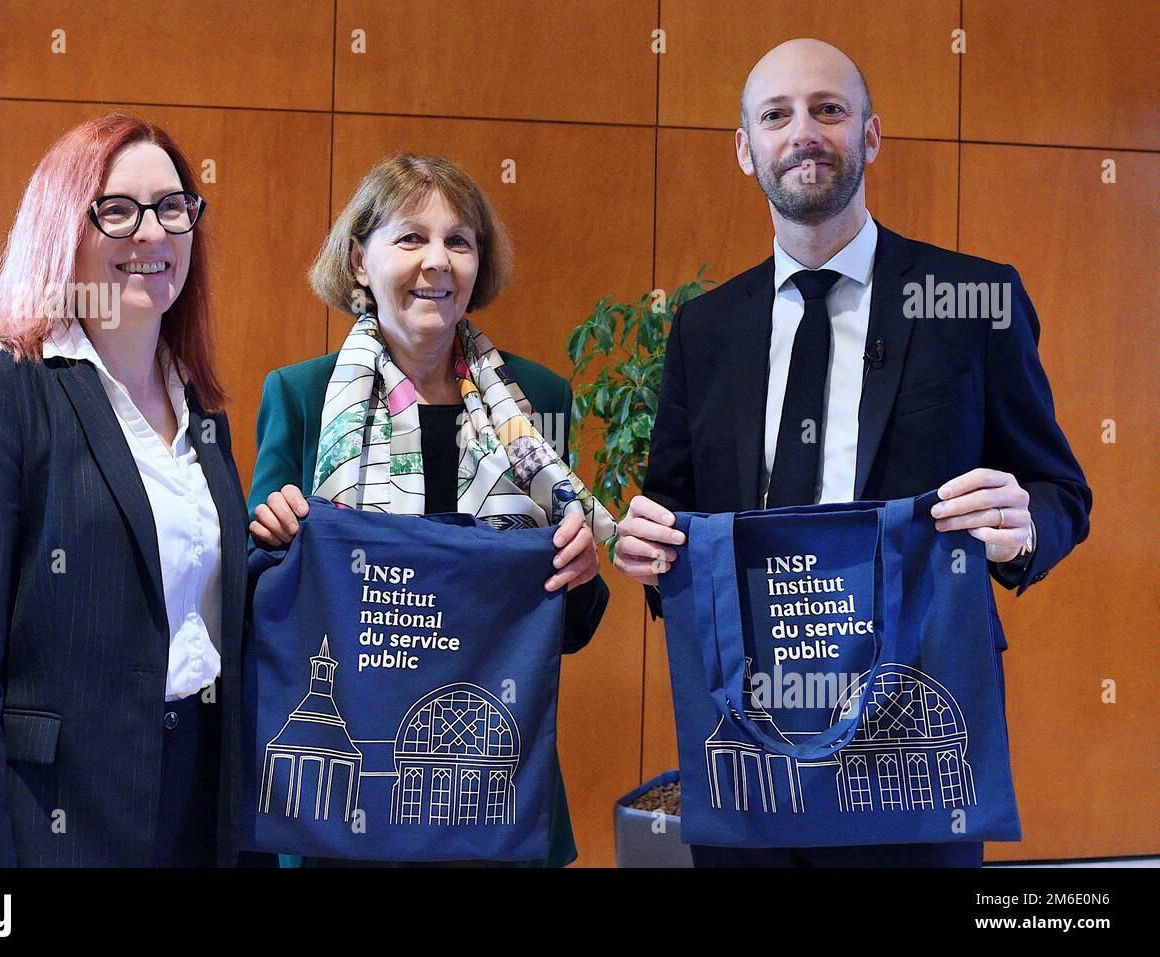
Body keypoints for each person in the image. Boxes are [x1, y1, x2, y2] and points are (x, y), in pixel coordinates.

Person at [614, 39, 1091, 867]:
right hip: (749, 735)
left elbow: (1059, 491)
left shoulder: (973, 297)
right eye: (777, 115)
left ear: (871, 135)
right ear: (745, 149)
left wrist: (1025, 529)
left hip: (916, 730)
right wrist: (644, 548)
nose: (804, 132)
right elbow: (669, 513)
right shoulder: (705, 329)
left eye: (829, 110)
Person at [0, 113, 252, 867]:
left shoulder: (204, 412)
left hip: (192, 811)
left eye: (173, 207)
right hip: (45, 825)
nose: (152, 232)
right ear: (64, 226)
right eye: (118, 209)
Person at [248, 152, 614, 867]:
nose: (437, 261)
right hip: (343, 810)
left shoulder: (539, 400)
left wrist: (579, 565)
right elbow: (263, 602)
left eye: (460, 240)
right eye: (410, 237)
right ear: (359, 259)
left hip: (497, 793)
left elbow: (568, 626)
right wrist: (271, 538)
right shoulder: (300, 395)